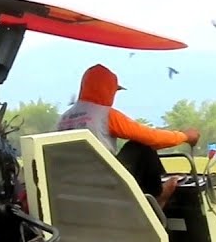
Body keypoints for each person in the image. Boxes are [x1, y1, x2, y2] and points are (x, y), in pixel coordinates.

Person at [57, 64, 200, 197]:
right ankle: (159, 196)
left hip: (71, 184)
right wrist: (184, 136)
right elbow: (152, 138)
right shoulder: (105, 114)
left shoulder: (63, 118)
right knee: (141, 146)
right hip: (104, 183)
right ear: (107, 90)